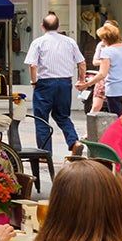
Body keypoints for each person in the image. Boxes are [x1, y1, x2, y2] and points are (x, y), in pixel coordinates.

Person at [24, 12, 87, 156]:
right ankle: (73, 141)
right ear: (58, 26)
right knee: (62, 116)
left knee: (41, 119)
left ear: (42, 27)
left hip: (45, 83)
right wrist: (81, 80)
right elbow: (81, 63)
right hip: (65, 82)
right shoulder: (69, 41)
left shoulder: (38, 42)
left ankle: (45, 152)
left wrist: (34, 82)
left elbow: (33, 65)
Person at [78, 21, 122, 115]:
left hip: (116, 91)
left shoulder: (107, 51)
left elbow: (102, 74)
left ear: (106, 39)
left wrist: (87, 84)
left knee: (119, 120)